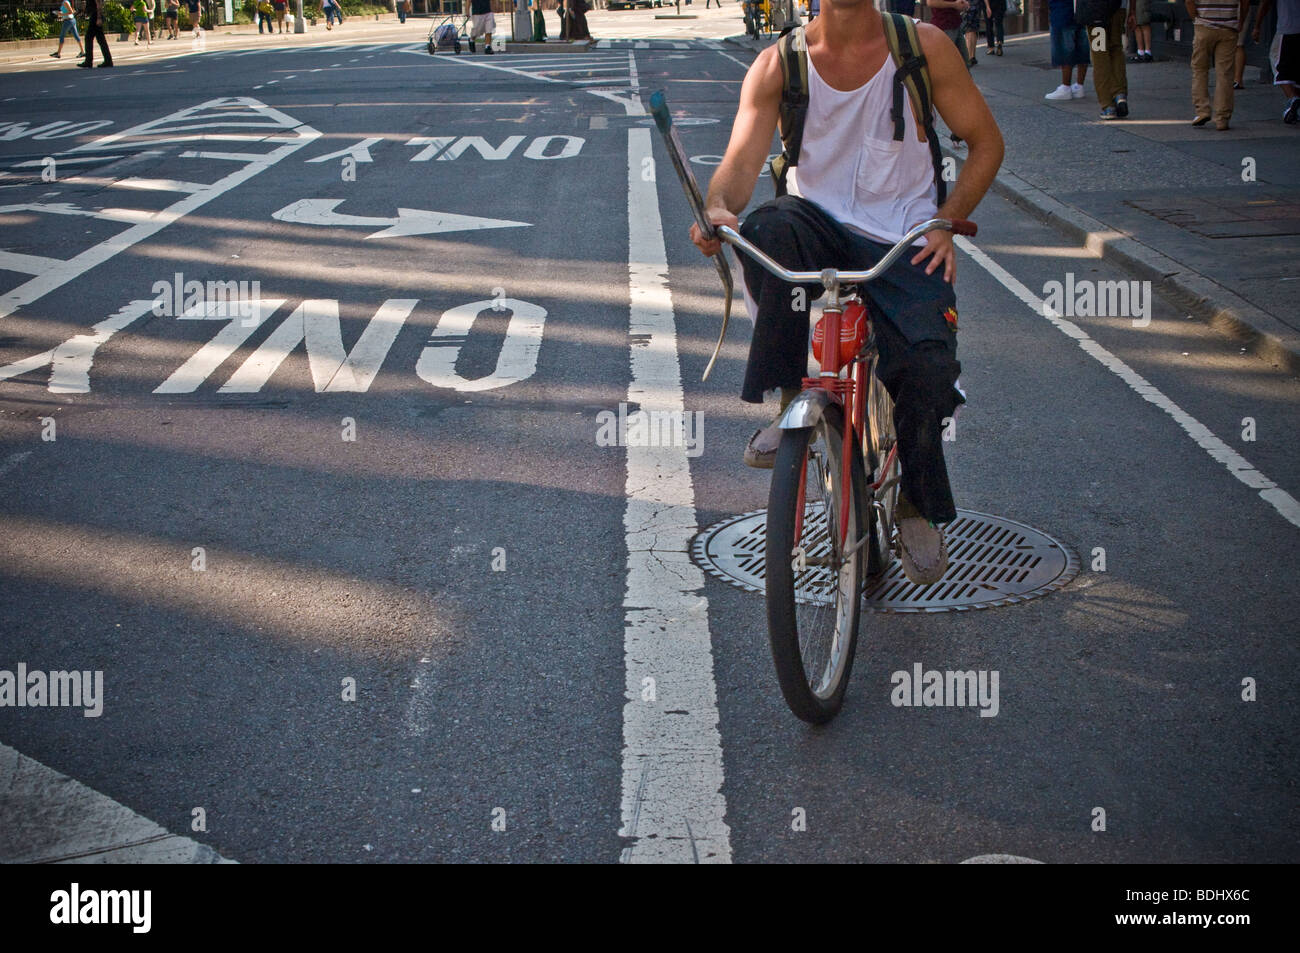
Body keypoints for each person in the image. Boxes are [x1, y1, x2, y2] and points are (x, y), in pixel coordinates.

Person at [688, 0, 1003, 584]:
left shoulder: (923, 48)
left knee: (928, 364)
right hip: (816, 227)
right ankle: (790, 400)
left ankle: (917, 501)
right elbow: (739, 162)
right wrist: (718, 208)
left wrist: (946, 219)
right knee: (764, 229)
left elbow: (986, 143)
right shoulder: (780, 63)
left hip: (905, 236)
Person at [1188, 0, 1248, 129]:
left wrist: (1196, 19)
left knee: (1200, 69)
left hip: (1204, 25)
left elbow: (1189, 1)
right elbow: (1245, 2)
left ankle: (1202, 111)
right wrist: (1240, 21)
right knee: (1225, 73)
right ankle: (1222, 118)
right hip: (1229, 27)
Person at [1079, 0, 1130, 118]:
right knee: (1116, 49)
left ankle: (1108, 106)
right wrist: (1132, 10)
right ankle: (1120, 95)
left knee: (1100, 53)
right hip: (1119, 8)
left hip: (1096, 10)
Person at [1255, 0, 1300, 122]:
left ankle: (1293, 98)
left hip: (1287, 28)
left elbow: (1265, 3)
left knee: (1278, 64)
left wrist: (1257, 26)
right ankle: (1295, 103)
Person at [1045, 0, 1089, 98]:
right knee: (1082, 48)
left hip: (1063, 10)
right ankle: (1079, 86)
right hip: (1083, 10)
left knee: (1064, 48)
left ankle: (1066, 86)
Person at [80, 0, 114, 67]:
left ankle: (89, 61)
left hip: (95, 16)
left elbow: (99, 4)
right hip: (95, 15)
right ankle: (108, 60)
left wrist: (99, 18)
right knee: (101, 40)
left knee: (89, 38)